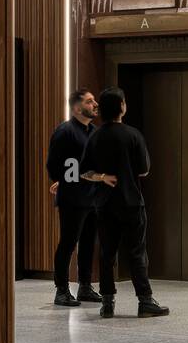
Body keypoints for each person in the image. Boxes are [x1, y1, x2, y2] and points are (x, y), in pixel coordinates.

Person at [80, 86, 169, 319]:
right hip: (131, 202)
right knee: (137, 252)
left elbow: (84, 172)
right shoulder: (133, 135)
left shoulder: (95, 136)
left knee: (107, 254)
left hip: (104, 204)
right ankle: (145, 302)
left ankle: (107, 304)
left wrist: (101, 177)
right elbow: (145, 170)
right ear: (121, 107)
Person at [44, 88, 102, 307]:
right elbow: (53, 163)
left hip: (92, 198)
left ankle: (85, 286)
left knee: (88, 244)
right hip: (73, 199)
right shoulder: (65, 131)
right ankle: (61, 290)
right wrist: (63, 180)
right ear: (77, 108)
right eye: (89, 101)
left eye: (94, 100)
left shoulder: (94, 132)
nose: (95, 104)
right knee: (68, 243)